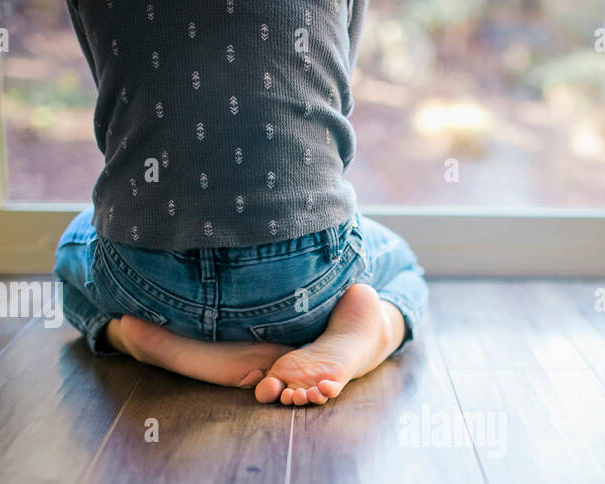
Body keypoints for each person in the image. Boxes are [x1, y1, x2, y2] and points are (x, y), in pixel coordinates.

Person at [54, 0, 426, 406]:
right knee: (403, 264)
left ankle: (136, 339)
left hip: (146, 279)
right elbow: (336, 91)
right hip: (307, 277)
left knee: (69, 267)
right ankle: (375, 332)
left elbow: (115, 89)